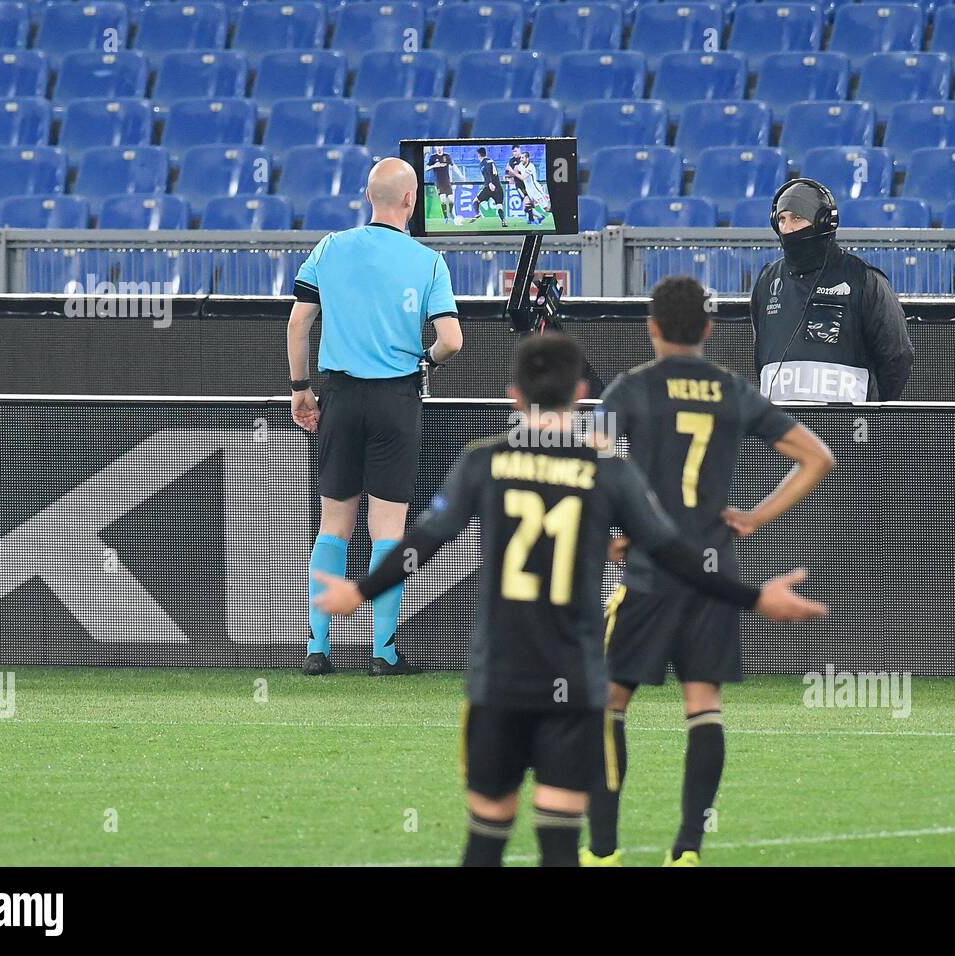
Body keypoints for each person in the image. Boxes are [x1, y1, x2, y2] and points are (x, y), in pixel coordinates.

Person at [312, 334, 829, 867]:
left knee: (485, 839)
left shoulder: (485, 462)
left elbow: (424, 540)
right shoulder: (609, 472)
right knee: (559, 843)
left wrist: (360, 590)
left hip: (499, 683)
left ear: (515, 397)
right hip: (574, 688)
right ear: (580, 391)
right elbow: (677, 555)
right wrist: (752, 598)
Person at [583, 275, 836, 867]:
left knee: (607, 705)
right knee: (703, 706)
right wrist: (752, 519)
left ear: (651, 327)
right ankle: (688, 850)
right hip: (713, 567)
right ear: (708, 328)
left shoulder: (629, 390)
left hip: (648, 573)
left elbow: (591, 472)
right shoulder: (732, 391)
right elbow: (817, 456)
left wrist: (612, 536)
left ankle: (602, 850)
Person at [287, 157, 463, 676]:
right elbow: (451, 340)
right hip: (397, 399)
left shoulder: (330, 247)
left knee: (333, 524)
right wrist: (422, 363)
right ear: (411, 200)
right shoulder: (428, 262)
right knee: (388, 528)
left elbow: (298, 324)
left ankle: (318, 649)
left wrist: (300, 389)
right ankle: (383, 653)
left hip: (338, 395)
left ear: (369, 197)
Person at [751, 178, 915, 403]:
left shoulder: (864, 279)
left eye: (797, 218)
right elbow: (762, 357)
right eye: (781, 219)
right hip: (782, 430)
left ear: (824, 222)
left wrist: (870, 410)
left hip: (846, 430)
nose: (787, 229)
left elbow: (897, 357)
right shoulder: (767, 281)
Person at [468, 146, 508, 227]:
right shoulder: (491, 161)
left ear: (479, 155)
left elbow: (487, 172)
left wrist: (489, 183)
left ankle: (477, 214)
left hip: (489, 187)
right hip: (498, 186)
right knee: (499, 206)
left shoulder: (483, 163)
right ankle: (503, 221)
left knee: (475, 201)